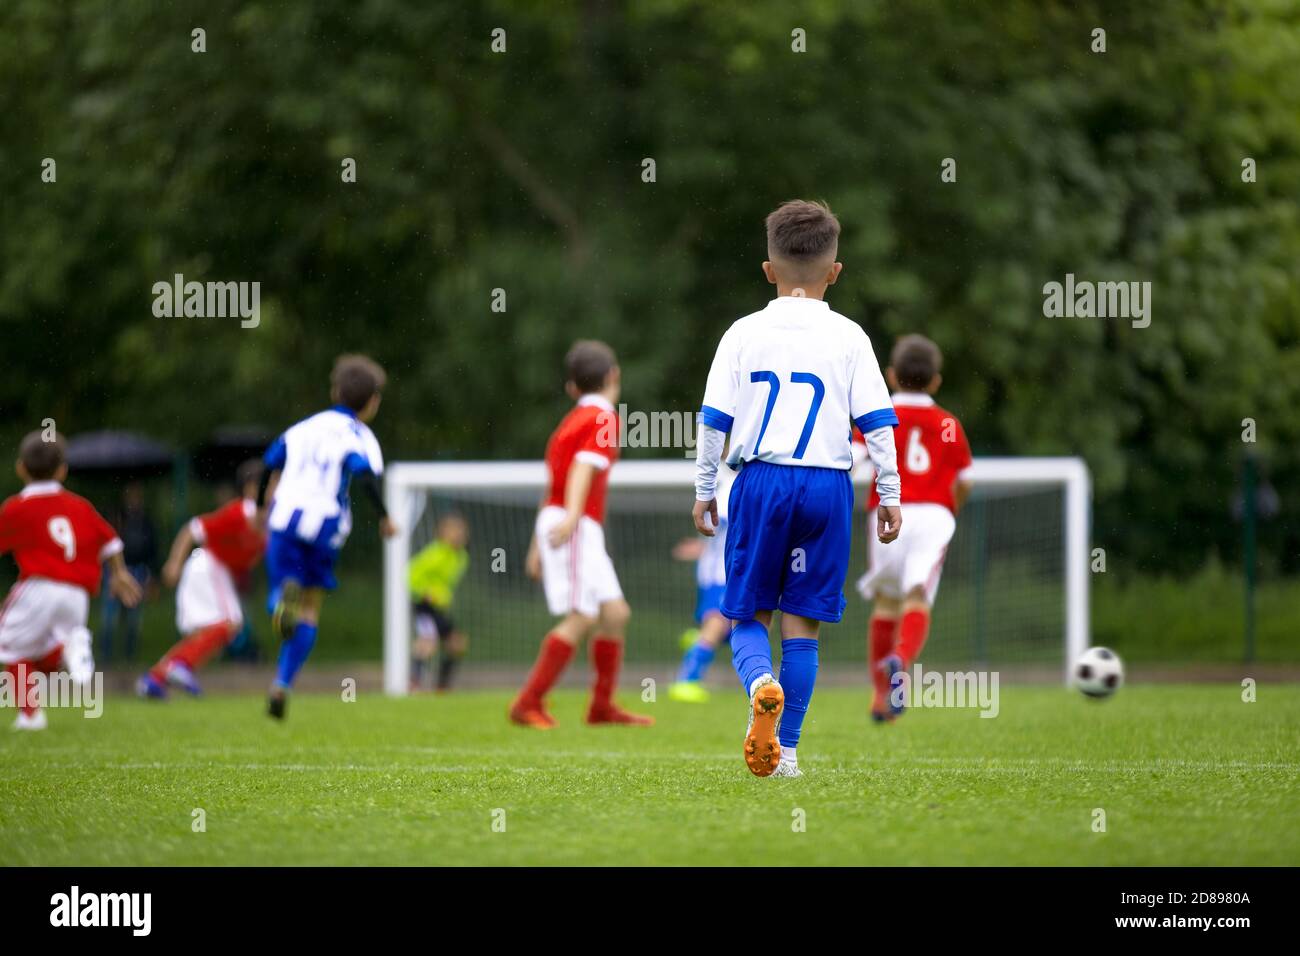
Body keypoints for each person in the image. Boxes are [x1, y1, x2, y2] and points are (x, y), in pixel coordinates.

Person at [692, 199, 901, 777]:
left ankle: (761, 681)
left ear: (767, 268)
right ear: (835, 271)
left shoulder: (743, 333)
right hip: (828, 486)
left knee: (746, 617)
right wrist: (890, 493)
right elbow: (879, 424)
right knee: (803, 628)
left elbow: (712, 421)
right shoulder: (850, 336)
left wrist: (705, 488)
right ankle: (788, 754)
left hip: (761, 482)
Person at [509, 340, 653, 729]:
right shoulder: (604, 417)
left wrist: (537, 544)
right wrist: (573, 516)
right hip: (574, 523)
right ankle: (528, 702)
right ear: (614, 376)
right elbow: (581, 469)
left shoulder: (569, 421)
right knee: (582, 615)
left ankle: (601, 707)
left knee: (615, 613)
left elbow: (552, 482)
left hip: (571, 522)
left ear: (572, 387)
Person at [258, 354, 396, 720]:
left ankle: (278, 604)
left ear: (335, 390)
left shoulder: (303, 428)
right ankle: (281, 684)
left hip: (285, 519)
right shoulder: (358, 435)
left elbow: (269, 462)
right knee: (310, 610)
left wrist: (260, 504)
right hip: (326, 526)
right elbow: (364, 475)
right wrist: (384, 517)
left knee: (283, 593)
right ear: (373, 402)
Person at [857, 334, 973, 721]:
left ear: (891, 375)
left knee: (886, 602)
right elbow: (965, 478)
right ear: (936, 381)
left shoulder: (878, 415)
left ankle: (878, 697)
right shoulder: (947, 424)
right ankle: (901, 659)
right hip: (932, 517)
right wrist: (950, 510)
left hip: (889, 511)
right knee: (916, 595)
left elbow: (855, 461)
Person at [0, 431, 142, 729]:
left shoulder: (16, 507)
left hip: (39, 586)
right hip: (77, 595)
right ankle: (66, 651)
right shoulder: (79, 505)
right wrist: (118, 573)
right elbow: (111, 542)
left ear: (21, 468)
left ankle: (31, 714)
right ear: (63, 469)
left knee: (8, 647)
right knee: (32, 653)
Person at [136, 459, 267, 699]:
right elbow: (192, 529)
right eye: (270, 483)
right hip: (209, 565)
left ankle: (154, 679)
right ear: (250, 487)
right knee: (230, 622)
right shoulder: (240, 512)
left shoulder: (265, 518)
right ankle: (179, 666)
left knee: (206, 633)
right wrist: (174, 563)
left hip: (215, 570)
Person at [667, 464, 735, 703]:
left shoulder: (729, 480)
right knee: (718, 623)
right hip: (721, 573)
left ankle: (697, 640)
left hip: (726, 571)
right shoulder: (730, 483)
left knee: (730, 626)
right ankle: (686, 680)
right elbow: (725, 523)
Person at [408, 512, 470, 692]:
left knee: (457, 644)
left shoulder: (461, 557)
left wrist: (443, 596)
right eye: (454, 531)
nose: (459, 535)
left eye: (462, 531)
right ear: (442, 533)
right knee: (427, 643)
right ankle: (414, 683)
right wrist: (424, 592)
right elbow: (410, 574)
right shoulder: (435, 553)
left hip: (440, 609)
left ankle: (441, 687)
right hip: (425, 607)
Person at [99, 480, 156, 663]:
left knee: (133, 618)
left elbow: (151, 548)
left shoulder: (146, 521)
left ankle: (129, 657)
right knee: (109, 616)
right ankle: (105, 657)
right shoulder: (117, 518)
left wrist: (150, 574)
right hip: (116, 570)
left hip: (137, 570)